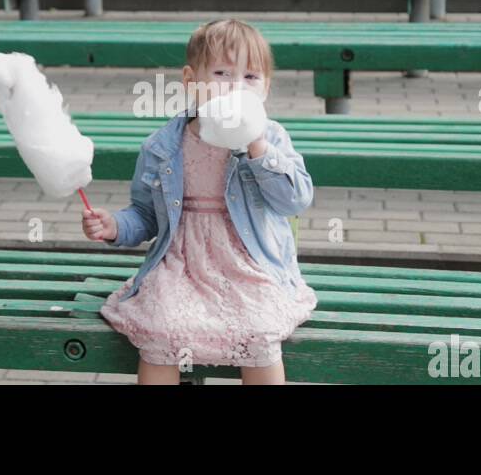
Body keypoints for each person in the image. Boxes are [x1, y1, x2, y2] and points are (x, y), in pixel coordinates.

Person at [81, 19, 318, 385]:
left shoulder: (271, 138)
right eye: (222, 73)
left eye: (250, 77)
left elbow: (295, 199)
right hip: (182, 264)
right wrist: (114, 226)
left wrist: (258, 148)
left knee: (259, 328)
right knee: (162, 326)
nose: (236, 86)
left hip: (247, 263)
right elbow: (145, 215)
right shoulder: (163, 146)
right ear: (192, 81)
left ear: (266, 88)